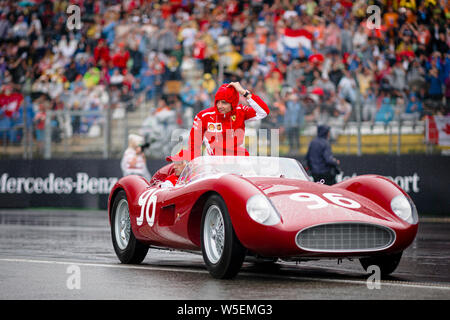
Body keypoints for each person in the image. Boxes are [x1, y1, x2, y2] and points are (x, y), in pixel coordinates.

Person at [186, 82, 270, 159]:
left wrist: (244, 92)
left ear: (233, 103)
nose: (220, 106)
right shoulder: (203, 116)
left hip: (238, 162)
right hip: (213, 164)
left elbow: (264, 112)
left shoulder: (240, 111)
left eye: (224, 102)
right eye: (218, 102)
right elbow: (194, 145)